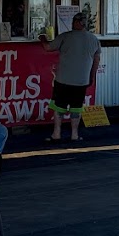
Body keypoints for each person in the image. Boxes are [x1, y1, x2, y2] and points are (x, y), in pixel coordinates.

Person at [40, 12, 101, 143]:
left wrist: (42, 38)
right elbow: (96, 60)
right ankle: (74, 135)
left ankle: (56, 134)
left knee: (59, 107)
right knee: (76, 108)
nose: (72, 23)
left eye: (74, 21)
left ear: (78, 22)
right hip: (82, 80)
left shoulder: (65, 37)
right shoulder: (94, 39)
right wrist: (92, 77)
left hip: (63, 79)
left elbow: (48, 47)